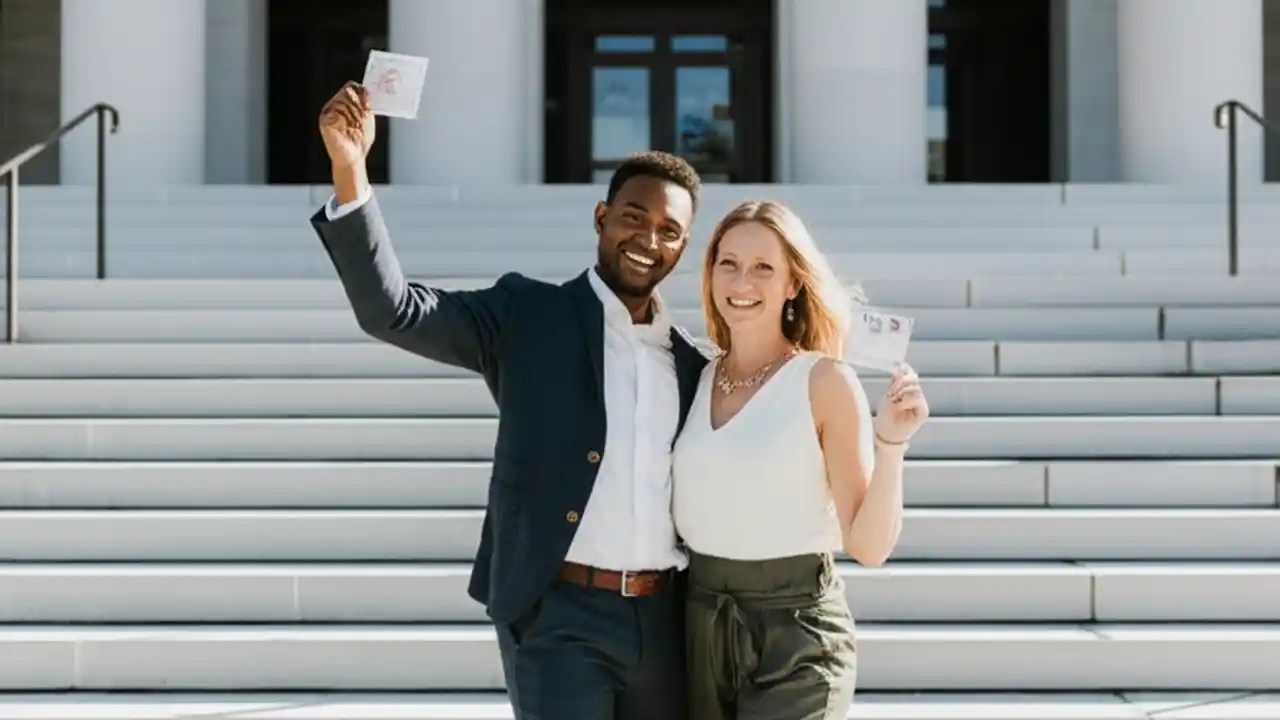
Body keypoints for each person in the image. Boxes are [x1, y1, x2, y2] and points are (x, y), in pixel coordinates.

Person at [311, 81, 709, 718]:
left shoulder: (695, 363)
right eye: (634, 216)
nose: (648, 238)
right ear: (602, 219)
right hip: (559, 617)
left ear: (683, 247)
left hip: (667, 625)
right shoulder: (529, 314)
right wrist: (351, 171)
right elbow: (393, 312)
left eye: (669, 230)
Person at [671, 200, 929, 719]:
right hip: (698, 625)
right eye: (729, 263)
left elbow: (869, 545)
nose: (742, 281)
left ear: (793, 283)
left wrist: (891, 446)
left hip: (798, 636)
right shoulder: (694, 377)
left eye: (764, 267)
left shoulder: (824, 381)